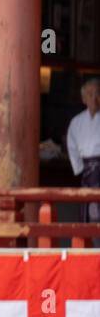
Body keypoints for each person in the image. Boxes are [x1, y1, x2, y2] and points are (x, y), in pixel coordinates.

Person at [66, 77, 100, 223]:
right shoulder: (76, 122)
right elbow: (72, 146)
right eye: (90, 94)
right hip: (87, 173)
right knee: (88, 216)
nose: (94, 98)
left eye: (98, 93)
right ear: (84, 99)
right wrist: (80, 168)